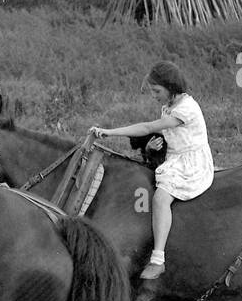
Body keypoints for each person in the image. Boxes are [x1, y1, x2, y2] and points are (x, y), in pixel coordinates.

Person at [90, 61, 214, 280]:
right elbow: (165, 136)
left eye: (157, 91)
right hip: (175, 158)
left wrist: (108, 132)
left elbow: (147, 127)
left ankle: (158, 259)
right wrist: (148, 148)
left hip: (190, 162)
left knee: (160, 199)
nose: (154, 95)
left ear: (170, 87)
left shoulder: (186, 109)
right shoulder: (169, 106)